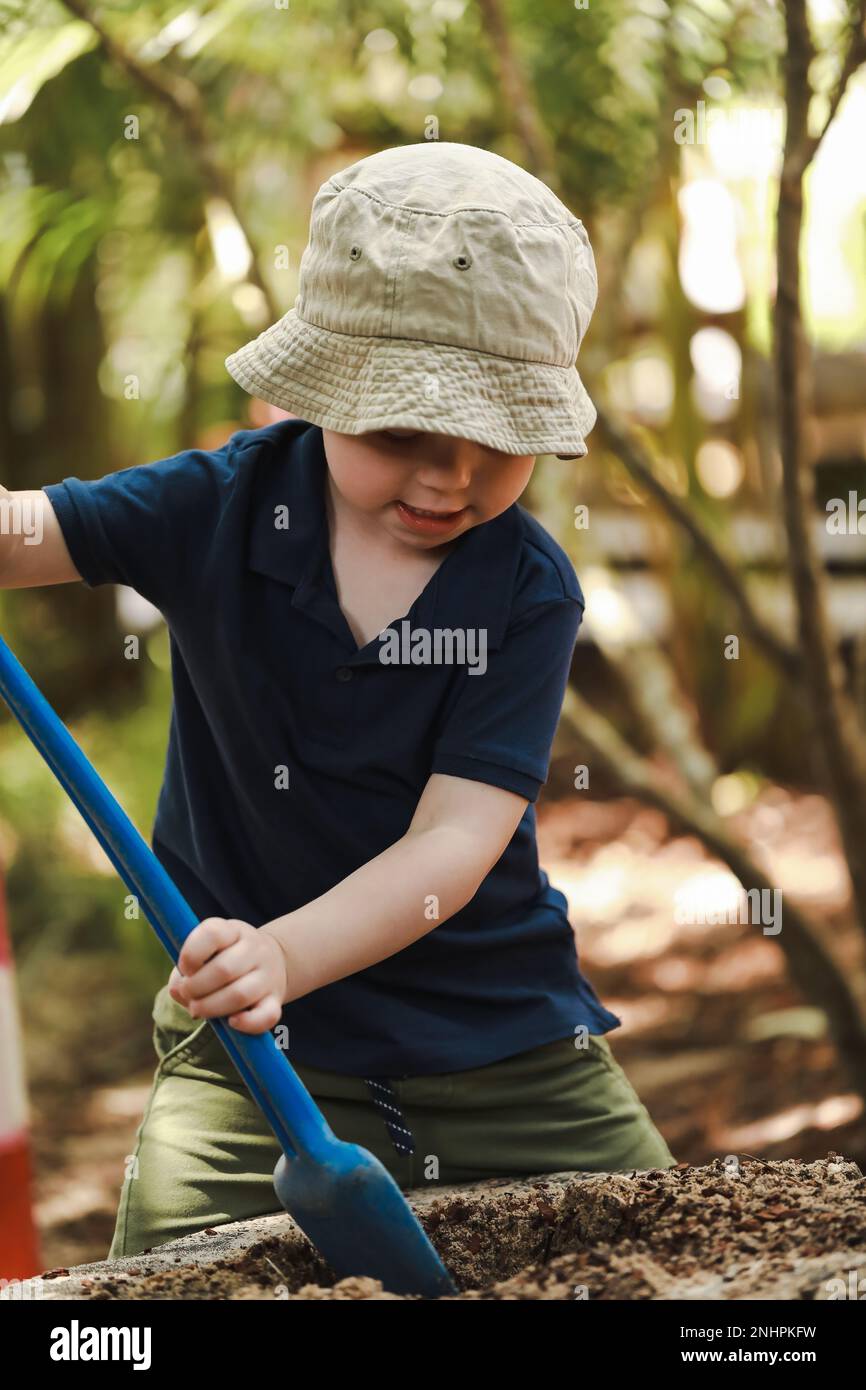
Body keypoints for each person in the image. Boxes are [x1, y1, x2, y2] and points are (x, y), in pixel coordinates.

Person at [2, 141, 675, 1259]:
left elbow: (451, 848)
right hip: (252, 1063)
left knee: (684, 1264)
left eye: (496, 442)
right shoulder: (212, 509)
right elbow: (29, 535)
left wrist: (283, 954)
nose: (448, 478)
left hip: (500, 1045)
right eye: (401, 433)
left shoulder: (521, 589)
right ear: (319, 394)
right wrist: (263, 981)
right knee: (147, 1300)